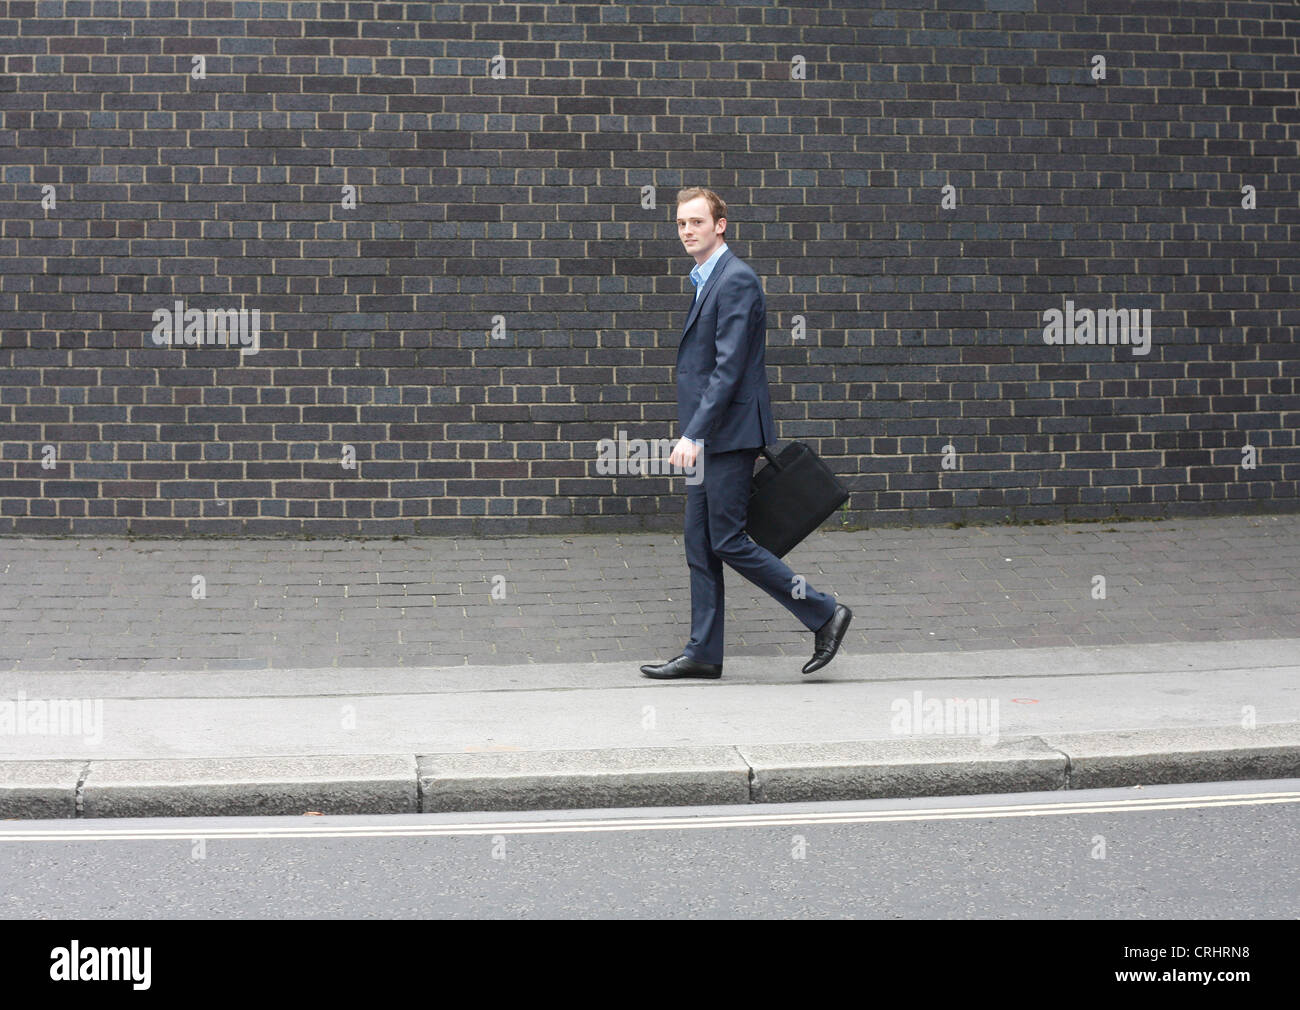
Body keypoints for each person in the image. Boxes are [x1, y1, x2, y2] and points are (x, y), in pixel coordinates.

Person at [640, 187, 852, 681]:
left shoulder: (735, 280)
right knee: (700, 542)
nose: (688, 230)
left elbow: (729, 368)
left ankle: (824, 611)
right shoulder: (706, 279)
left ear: (721, 225)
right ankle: (704, 652)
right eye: (681, 223)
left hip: (727, 435)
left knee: (729, 539)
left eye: (697, 221)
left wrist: (693, 434)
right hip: (712, 434)